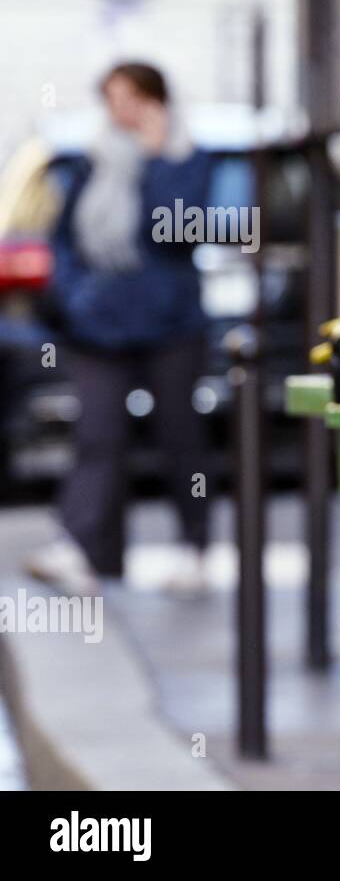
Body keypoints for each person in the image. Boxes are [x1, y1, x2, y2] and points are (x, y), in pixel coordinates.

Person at [27, 63, 212, 595]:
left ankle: (195, 547)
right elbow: (63, 237)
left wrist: (156, 161)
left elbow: (173, 231)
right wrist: (74, 293)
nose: (120, 111)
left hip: (170, 322)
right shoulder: (91, 160)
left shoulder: (187, 160)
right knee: (97, 436)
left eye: (131, 98)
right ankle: (86, 549)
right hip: (100, 323)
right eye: (112, 99)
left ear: (157, 102)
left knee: (181, 438)